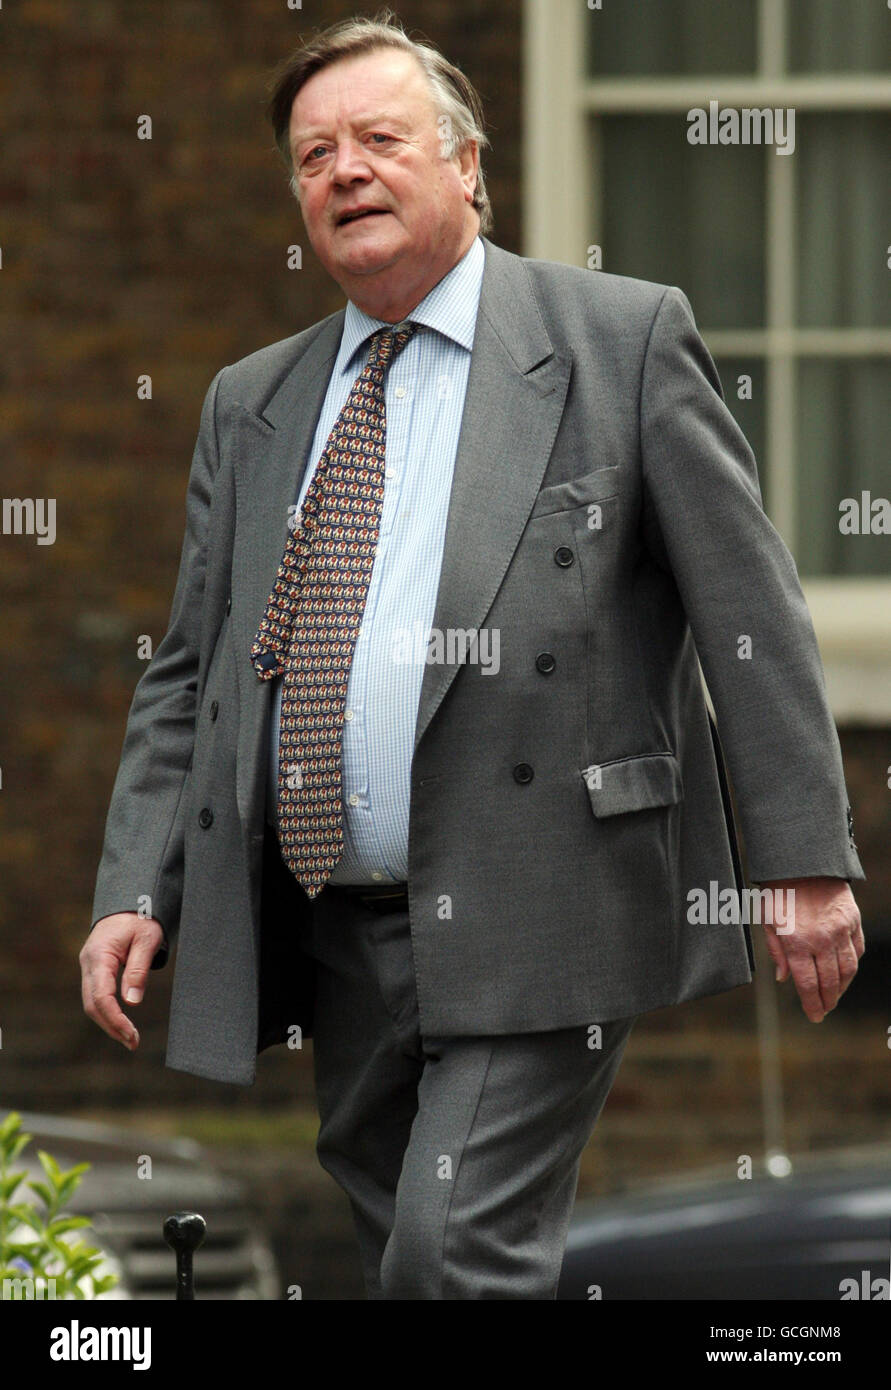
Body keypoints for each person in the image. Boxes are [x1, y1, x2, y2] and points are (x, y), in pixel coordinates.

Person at [80, 10, 865, 1300]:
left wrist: (803, 857)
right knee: (409, 1256)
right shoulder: (251, 400)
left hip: (543, 896)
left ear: (469, 169)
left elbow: (751, 609)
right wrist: (134, 884)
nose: (345, 171)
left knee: (450, 1258)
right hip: (334, 927)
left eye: (381, 140)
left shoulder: (619, 341)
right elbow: (196, 671)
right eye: (314, 154)